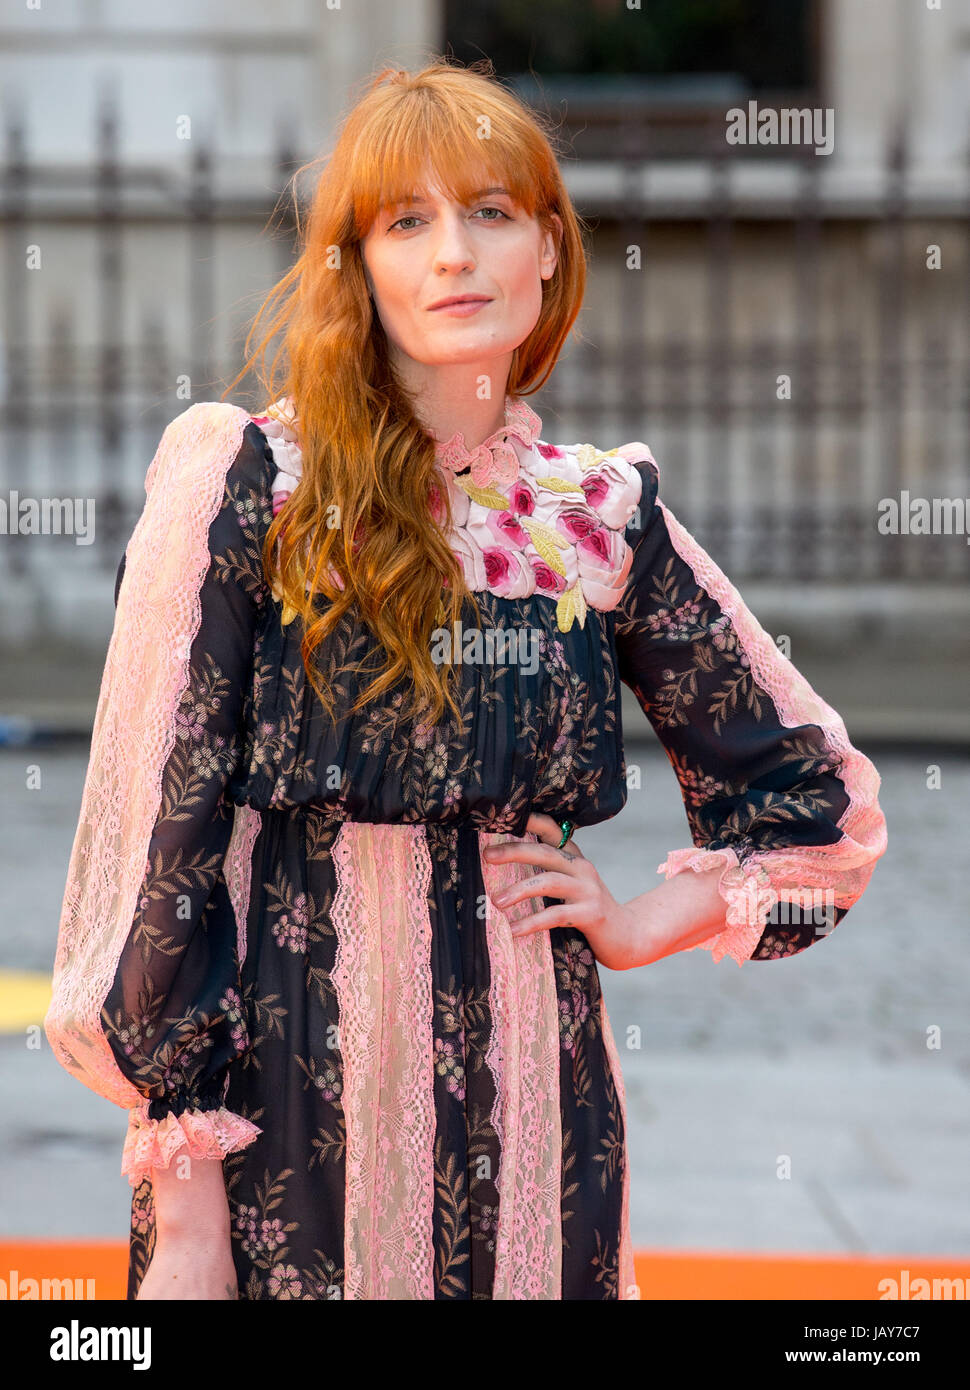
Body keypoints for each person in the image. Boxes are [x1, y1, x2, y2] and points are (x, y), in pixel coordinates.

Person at [44, 58, 888, 1302]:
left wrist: (642, 923)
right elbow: (160, 864)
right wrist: (185, 1211)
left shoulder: (596, 515)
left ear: (547, 249)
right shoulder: (246, 485)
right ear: (357, 264)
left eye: (490, 213)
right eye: (406, 221)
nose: (454, 255)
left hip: (541, 1117)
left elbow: (821, 817)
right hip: (280, 1124)